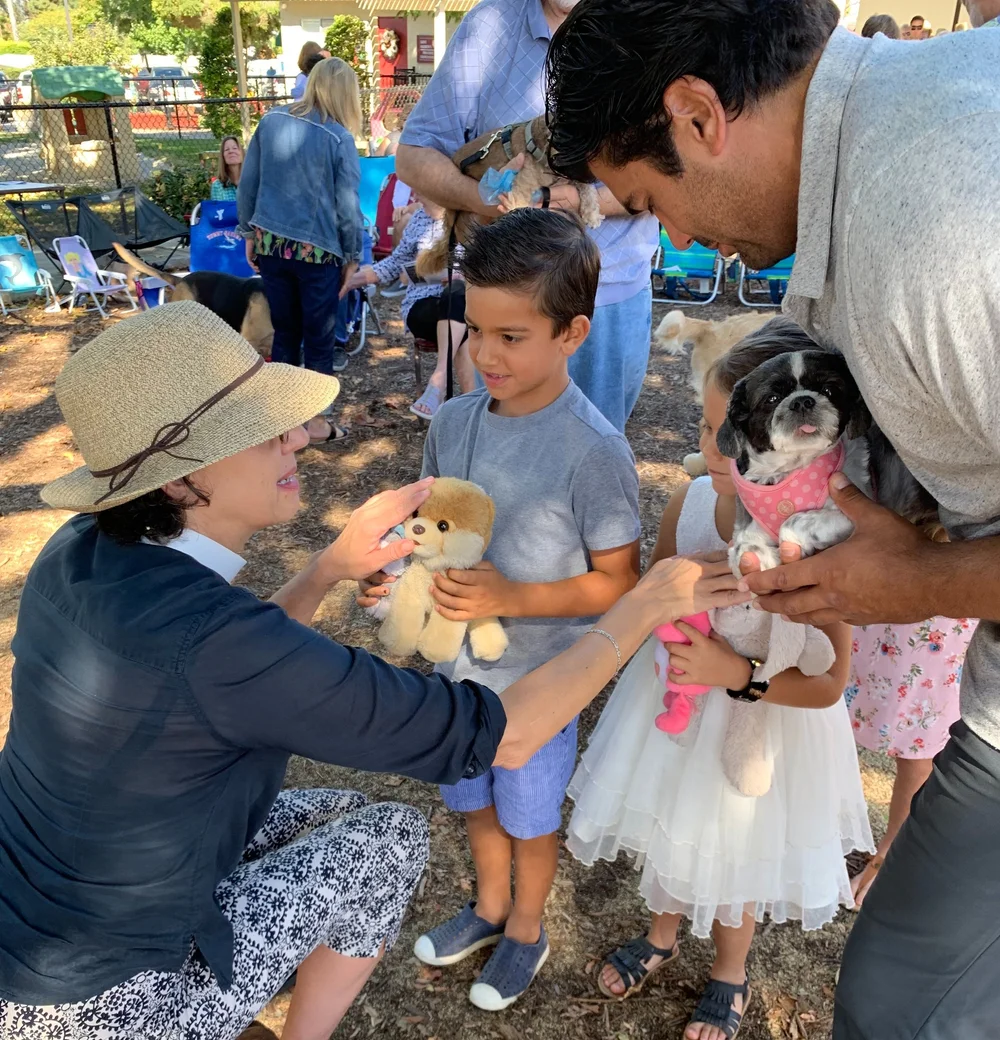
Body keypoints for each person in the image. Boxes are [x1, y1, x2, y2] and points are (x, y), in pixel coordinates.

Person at [0, 301, 748, 1040]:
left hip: (40, 914)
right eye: (260, 430)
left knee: (334, 814)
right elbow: (508, 737)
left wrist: (326, 569)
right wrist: (644, 604)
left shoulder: (77, 553)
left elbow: (216, 667)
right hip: (104, 999)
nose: (300, 436)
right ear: (177, 483)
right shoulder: (222, 642)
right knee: (387, 838)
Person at [544, 3, 1000, 1036]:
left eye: (649, 197)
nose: (677, 236)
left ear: (698, 113)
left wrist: (919, 585)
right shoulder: (898, 147)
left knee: (902, 1005)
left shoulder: (939, 233)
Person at [368, 208, 643, 1010]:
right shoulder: (452, 422)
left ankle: (527, 927)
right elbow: (429, 532)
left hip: (538, 686)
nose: (484, 354)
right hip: (454, 674)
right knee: (470, 798)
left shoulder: (595, 452)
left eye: (512, 336)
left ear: (573, 332)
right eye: (474, 329)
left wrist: (514, 596)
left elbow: (619, 584)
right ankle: (489, 908)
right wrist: (395, 573)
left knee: (528, 817)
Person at [568, 322, 872, 1040]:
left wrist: (736, 672)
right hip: (678, 707)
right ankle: (663, 932)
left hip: (768, 719)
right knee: (676, 826)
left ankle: (729, 970)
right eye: (710, 429)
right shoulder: (694, 499)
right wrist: (674, 593)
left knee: (738, 845)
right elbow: (655, 596)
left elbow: (828, 685)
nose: (716, 451)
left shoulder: (823, 536)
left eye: (730, 432)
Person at [395, 0, 659, 435]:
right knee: (504, 465)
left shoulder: (647, 26)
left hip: (610, 297)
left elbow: (672, 171)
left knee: (595, 453)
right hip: (506, 300)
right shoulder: (489, 25)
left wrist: (571, 198)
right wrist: (486, 198)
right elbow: (413, 153)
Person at [238, 55, 361, 445]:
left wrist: (248, 233)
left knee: (286, 333)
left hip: (272, 245)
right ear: (346, 94)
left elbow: (249, 181)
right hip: (319, 253)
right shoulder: (339, 138)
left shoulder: (272, 120)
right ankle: (315, 423)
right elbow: (347, 206)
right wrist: (352, 254)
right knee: (319, 338)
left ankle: (283, 425)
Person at [846, 606, 977, 907]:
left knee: (920, 738)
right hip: (877, 585)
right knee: (832, 705)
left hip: (947, 604)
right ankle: (813, 836)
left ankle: (890, 852)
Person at [341, 194, 474, 419]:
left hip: (463, 301)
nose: (414, 192)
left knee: (457, 297)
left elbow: (470, 266)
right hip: (424, 306)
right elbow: (396, 264)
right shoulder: (418, 218)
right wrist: (351, 280)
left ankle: (439, 383)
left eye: (419, 186)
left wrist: (426, 271)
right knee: (463, 329)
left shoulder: (465, 219)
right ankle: (473, 410)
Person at [211, 135, 244, 201]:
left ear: (242, 153)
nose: (231, 151)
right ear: (223, 157)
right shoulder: (217, 186)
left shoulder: (253, 182)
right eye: (227, 149)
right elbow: (218, 210)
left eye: (235, 148)